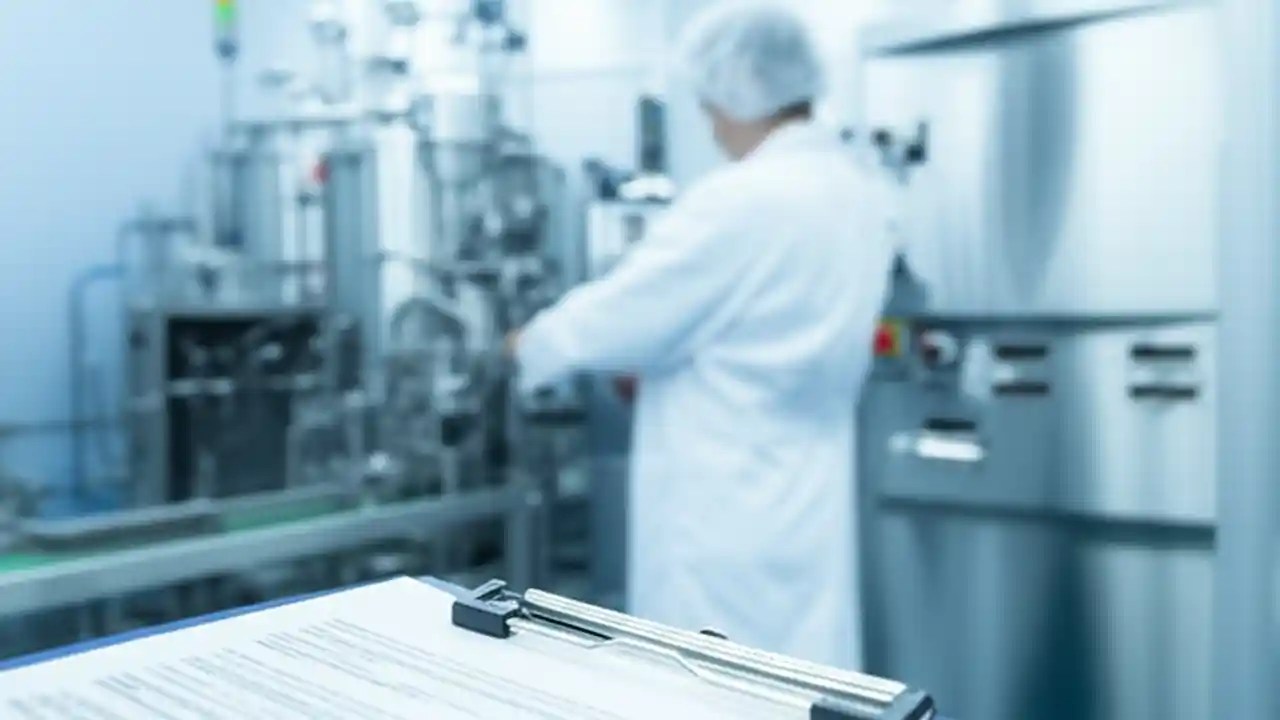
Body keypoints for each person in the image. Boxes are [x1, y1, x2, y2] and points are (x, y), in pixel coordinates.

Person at [508, 1, 893, 669]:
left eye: (711, 105)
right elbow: (749, 332)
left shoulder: (743, 199)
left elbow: (619, 316)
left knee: (710, 685)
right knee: (800, 686)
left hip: (723, 514)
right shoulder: (858, 193)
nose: (711, 125)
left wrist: (528, 344)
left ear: (740, 92)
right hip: (803, 500)